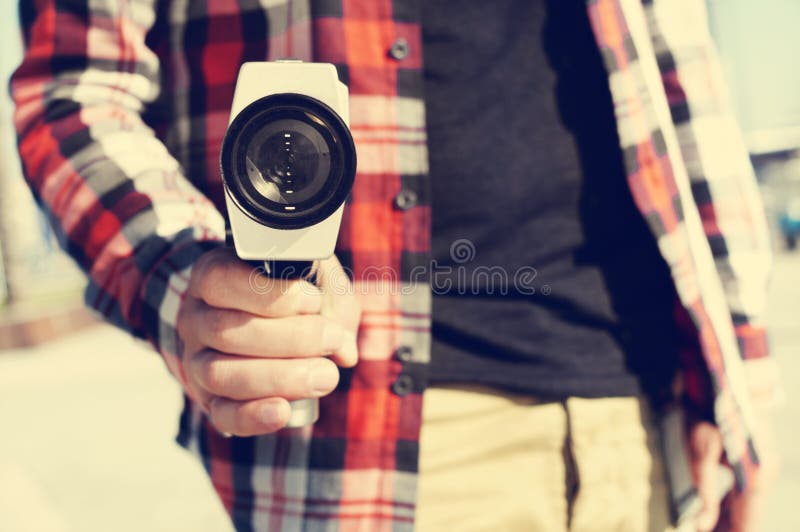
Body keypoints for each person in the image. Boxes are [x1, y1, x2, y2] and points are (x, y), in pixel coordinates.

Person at [11, 0, 779, 530]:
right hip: (377, 439)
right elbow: (74, 90)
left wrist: (730, 367)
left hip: (646, 411)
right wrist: (188, 284)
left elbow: (677, 80)